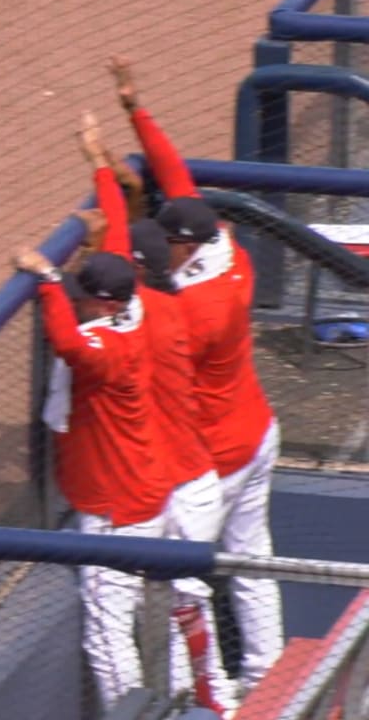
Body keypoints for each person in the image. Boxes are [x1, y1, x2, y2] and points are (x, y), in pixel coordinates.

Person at [110, 56, 283, 692]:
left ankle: (197, 696)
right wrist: (136, 107)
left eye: (166, 240)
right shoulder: (226, 250)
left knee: (184, 587)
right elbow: (177, 177)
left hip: (220, 458)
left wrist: (109, 229)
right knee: (251, 563)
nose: (163, 246)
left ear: (186, 244)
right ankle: (265, 675)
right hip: (259, 431)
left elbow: (139, 306)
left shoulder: (193, 311)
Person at [78, 111, 234, 714]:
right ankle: (213, 706)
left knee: (119, 618)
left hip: (150, 486)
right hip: (193, 481)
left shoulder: (125, 325)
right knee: (187, 608)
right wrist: (106, 162)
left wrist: (97, 162)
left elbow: (117, 240)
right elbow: (126, 235)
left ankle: (168, 705)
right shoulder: (180, 313)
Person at [15, 238, 176, 710]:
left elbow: (68, 343)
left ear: (104, 303)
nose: (75, 302)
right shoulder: (136, 317)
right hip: (145, 494)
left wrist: (46, 280)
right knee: (149, 613)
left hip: (118, 512)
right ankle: (172, 698)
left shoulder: (108, 348)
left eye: (80, 296)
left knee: (107, 638)